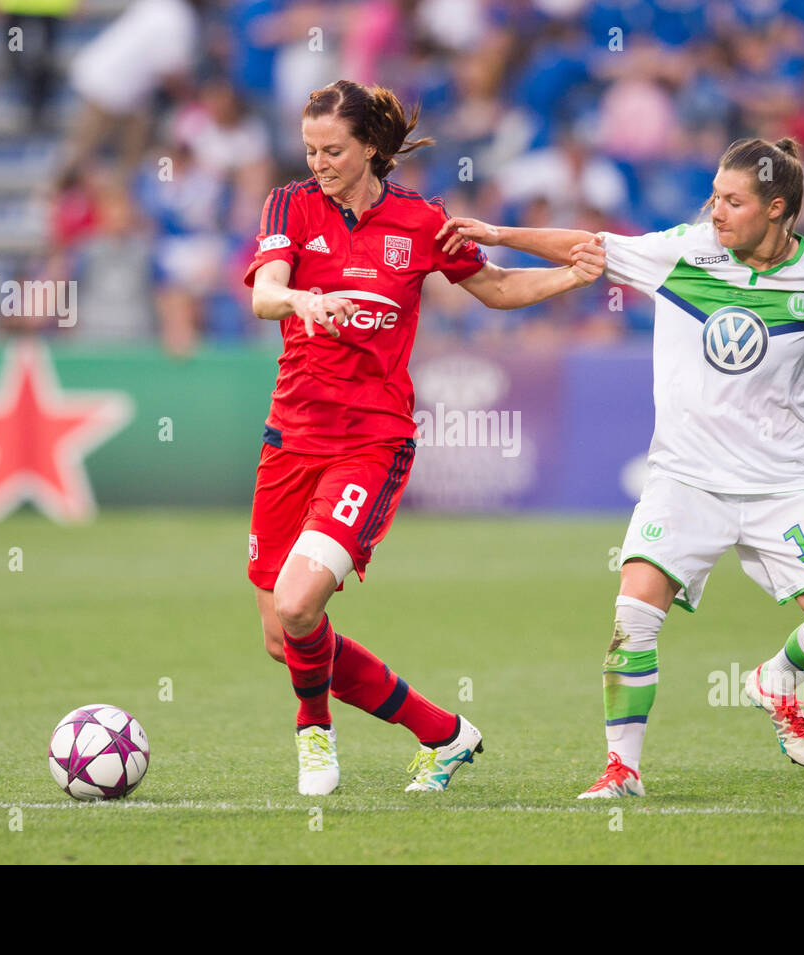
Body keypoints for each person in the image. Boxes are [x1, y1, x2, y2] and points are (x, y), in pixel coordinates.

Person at [439, 137, 804, 797]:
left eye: (733, 201)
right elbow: (588, 244)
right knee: (635, 611)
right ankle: (624, 769)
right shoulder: (686, 251)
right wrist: (498, 232)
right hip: (686, 478)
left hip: (783, 483)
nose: (718, 211)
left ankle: (778, 681)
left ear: (777, 208)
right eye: (714, 196)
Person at [243, 79, 603, 795]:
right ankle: (443, 733)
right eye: (311, 148)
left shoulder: (420, 222)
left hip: (369, 442)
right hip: (290, 439)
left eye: (334, 149)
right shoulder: (289, 204)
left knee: (296, 604)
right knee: (284, 637)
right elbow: (263, 294)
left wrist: (571, 277)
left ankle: (313, 733)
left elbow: (495, 287)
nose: (319, 161)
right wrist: (304, 299)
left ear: (372, 148)